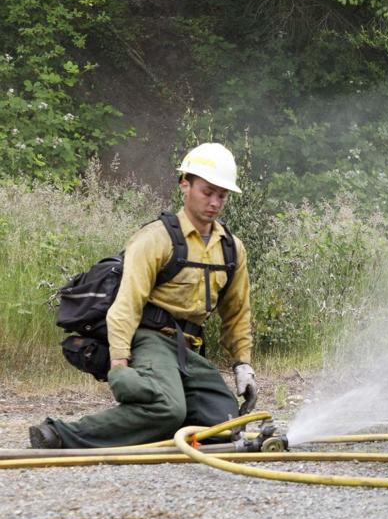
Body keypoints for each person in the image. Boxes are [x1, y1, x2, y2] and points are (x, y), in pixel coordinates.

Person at [29, 143, 258, 449]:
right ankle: (59, 434)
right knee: (168, 407)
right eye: (207, 191)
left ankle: (157, 426)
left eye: (222, 195)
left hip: (189, 349)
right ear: (185, 186)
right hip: (149, 338)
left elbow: (237, 312)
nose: (215, 202)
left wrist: (243, 364)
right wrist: (119, 363)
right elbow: (127, 304)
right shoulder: (157, 238)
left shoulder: (231, 248)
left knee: (227, 426)